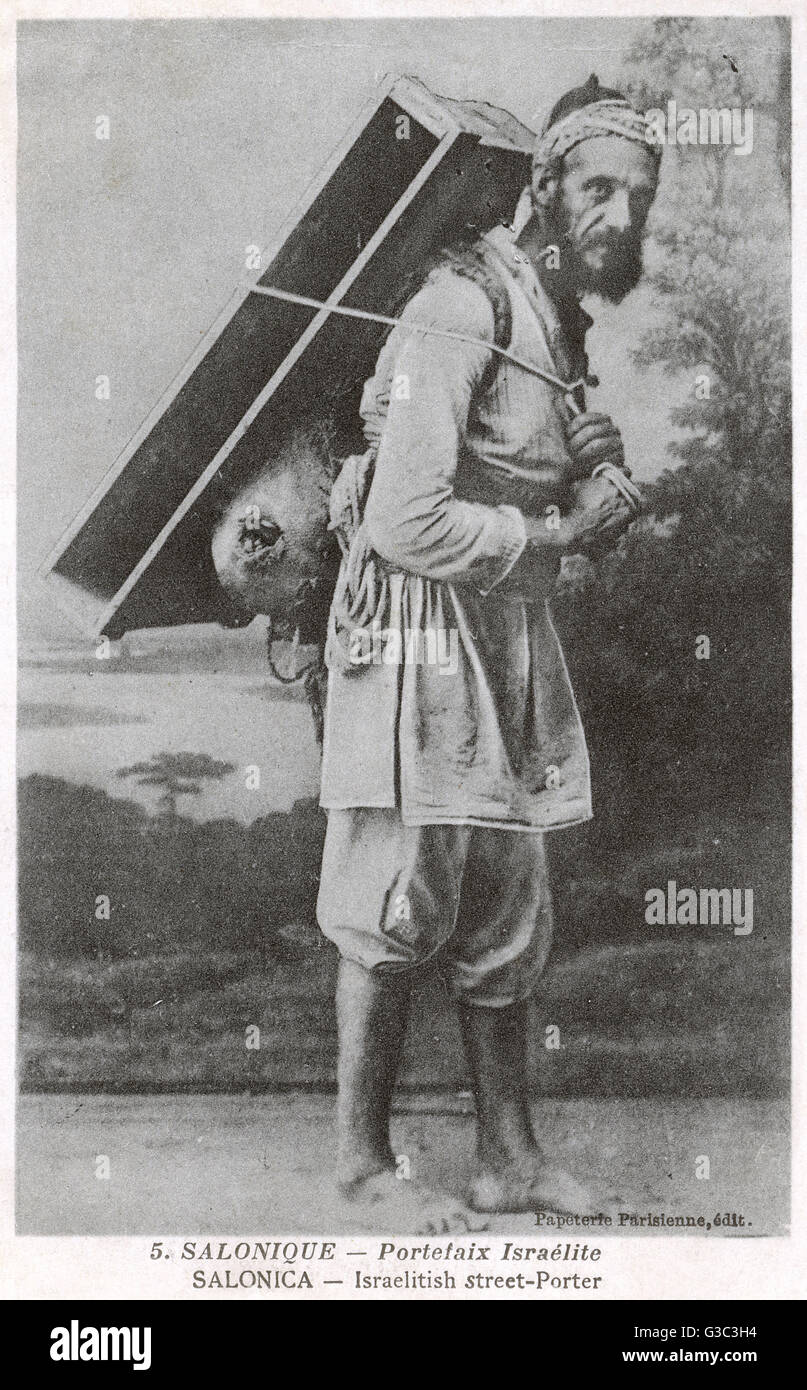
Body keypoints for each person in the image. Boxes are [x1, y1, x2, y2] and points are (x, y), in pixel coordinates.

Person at [316, 75, 661, 1233]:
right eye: (599, 188)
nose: (620, 216)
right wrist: (558, 527)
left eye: (639, 196)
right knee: (402, 893)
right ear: (544, 187)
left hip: (504, 640)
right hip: (414, 635)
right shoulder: (459, 309)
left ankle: (508, 1160)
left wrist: (585, 472)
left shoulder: (555, 327)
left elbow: (519, 492)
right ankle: (363, 1168)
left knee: (509, 903)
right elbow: (400, 521)